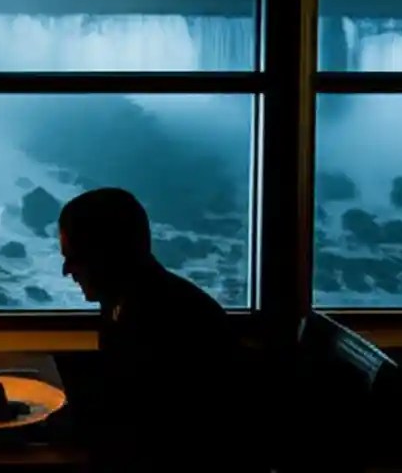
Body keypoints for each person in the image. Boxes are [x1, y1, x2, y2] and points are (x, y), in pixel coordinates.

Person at [58, 187, 255, 469]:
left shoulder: (164, 322)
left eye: (74, 257)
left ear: (107, 255)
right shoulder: (131, 300)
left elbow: (141, 433)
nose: (67, 270)